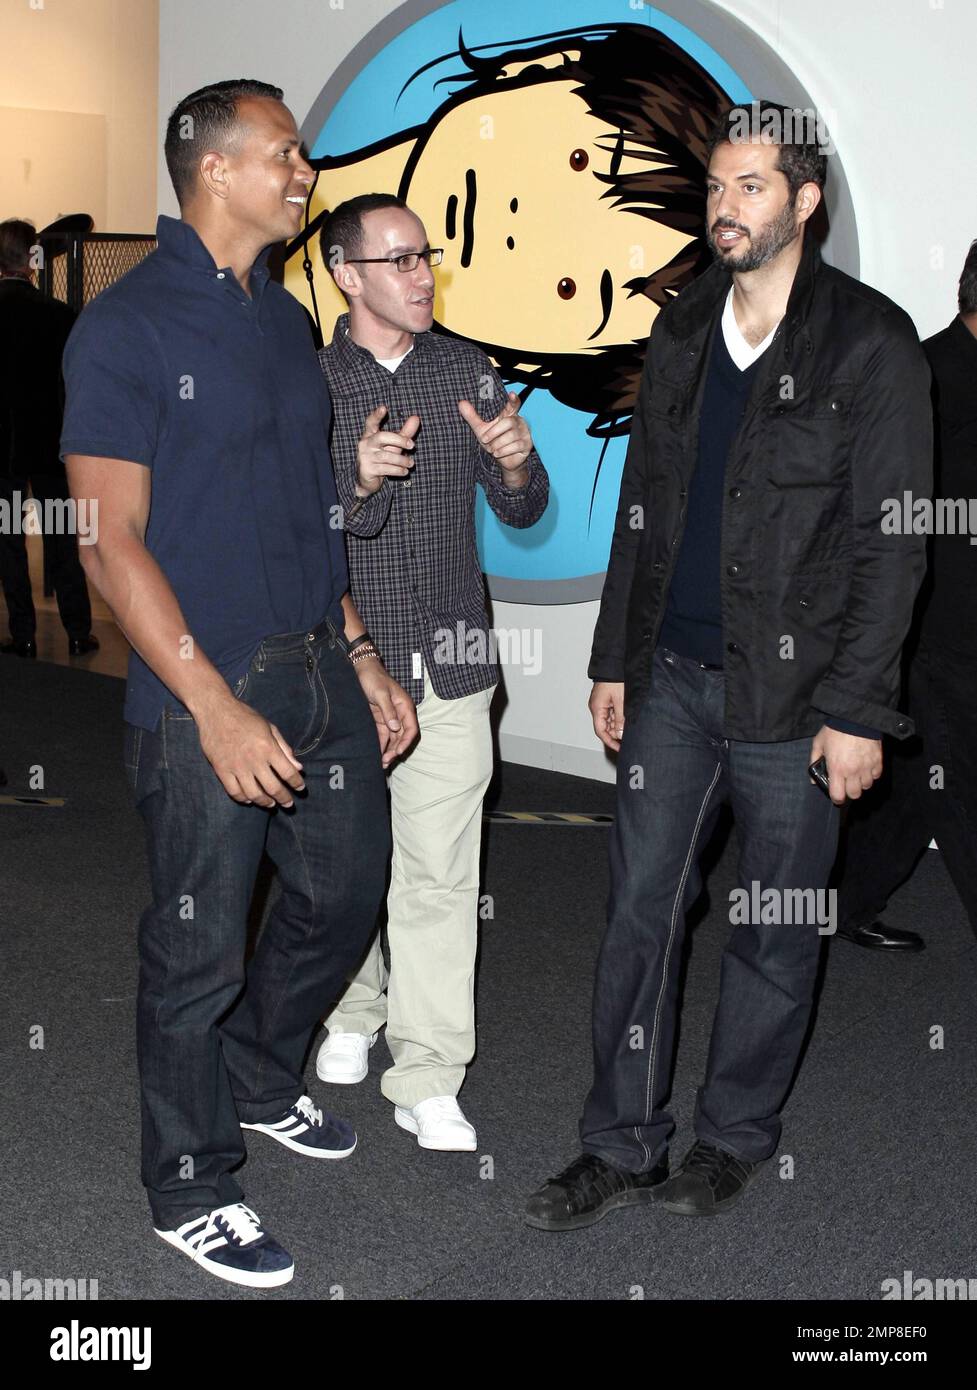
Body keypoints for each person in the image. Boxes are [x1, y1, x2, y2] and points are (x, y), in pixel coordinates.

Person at [524, 101, 932, 1229]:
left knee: (770, 923)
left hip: (797, 704)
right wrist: (612, 655)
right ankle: (618, 1140)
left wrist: (858, 709)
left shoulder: (870, 342)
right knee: (636, 917)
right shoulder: (681, 327)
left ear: (803, 201)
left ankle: (732, 1136)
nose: (723, 207)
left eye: (750, 186)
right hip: (668, 681)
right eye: (714, 187)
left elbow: (890, 541)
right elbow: (641, 507)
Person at [61, 80, 417, 1290]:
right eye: (285, 152)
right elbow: (106, 539)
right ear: (214, 170)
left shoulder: (279, 321)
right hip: (201, 691)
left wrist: (360, 652)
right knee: (198, 945)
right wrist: (210, 702)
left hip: (319, 661)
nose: (304, 168)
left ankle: (261, 1079)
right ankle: (189, 1182)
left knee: (345, 894)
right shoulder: (125, 328)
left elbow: (313, 513)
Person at [313, 194, 548, 1150]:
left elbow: (523, 508)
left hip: (453, 658)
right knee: (345, 863)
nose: (421, 276)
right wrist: (356, 487)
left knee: (442, 873)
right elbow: (301, 539)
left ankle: (428, 1070)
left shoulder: (467, 369)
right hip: (344, 663)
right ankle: (351, 1008)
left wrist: (520, 463)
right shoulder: (309, 382)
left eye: (426, 257)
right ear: (345, 273)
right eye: (399, 259)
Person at [834, 239, 977, 952]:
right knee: (962, 789)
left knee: (919, 781)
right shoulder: (923, 375)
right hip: (932, 630)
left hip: (952, 630)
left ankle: (845, 903)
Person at [0, 218, 98, 658]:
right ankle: (78, 631)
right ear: (33, 262)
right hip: (52, 446)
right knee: (62, 540)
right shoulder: (61, 317)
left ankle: (22, 634)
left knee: (8, 543)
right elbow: (75, 386)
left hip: (1, 452)